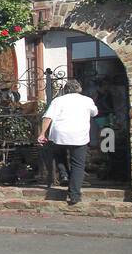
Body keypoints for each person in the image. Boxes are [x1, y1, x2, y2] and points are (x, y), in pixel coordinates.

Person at [38, 78, 97, 206]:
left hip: (60, 134)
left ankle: (64, 174)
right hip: (79, 135)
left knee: (59, 155)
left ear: (65, 90)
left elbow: (48, 117)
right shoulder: (87, 100)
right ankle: (74, 195)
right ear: (79, 89)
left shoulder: (58, 100)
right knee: (78, 165)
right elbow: (94, 113)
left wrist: (42, 133)